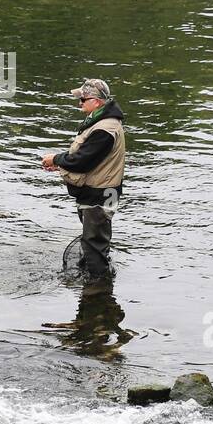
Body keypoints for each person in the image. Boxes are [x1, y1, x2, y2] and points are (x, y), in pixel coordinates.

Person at [41, 78, 126, 278]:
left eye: (83, 99)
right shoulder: (102, 122)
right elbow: (92, 159)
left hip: (100, 195)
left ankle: (98, 288)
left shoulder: (104, 129)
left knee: (93, 246)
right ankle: (97, 290)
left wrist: (56, 158)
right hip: (104, 192)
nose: (79, 103)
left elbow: (82, 160)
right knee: (94, 241)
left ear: (96, 102)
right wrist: (61, 165)